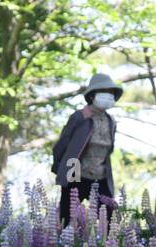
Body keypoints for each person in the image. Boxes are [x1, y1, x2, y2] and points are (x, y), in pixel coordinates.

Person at [52, 73, 123, 227]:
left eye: (111, 92)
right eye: (104, 91)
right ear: (92, 95)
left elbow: (108, 150)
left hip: (101, 174)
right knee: (68, 218)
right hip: (76, 170)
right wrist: (59, 167)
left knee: (109, 218)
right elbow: (62, 144)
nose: (108, 95)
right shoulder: (79, 117)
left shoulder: (111, 121)